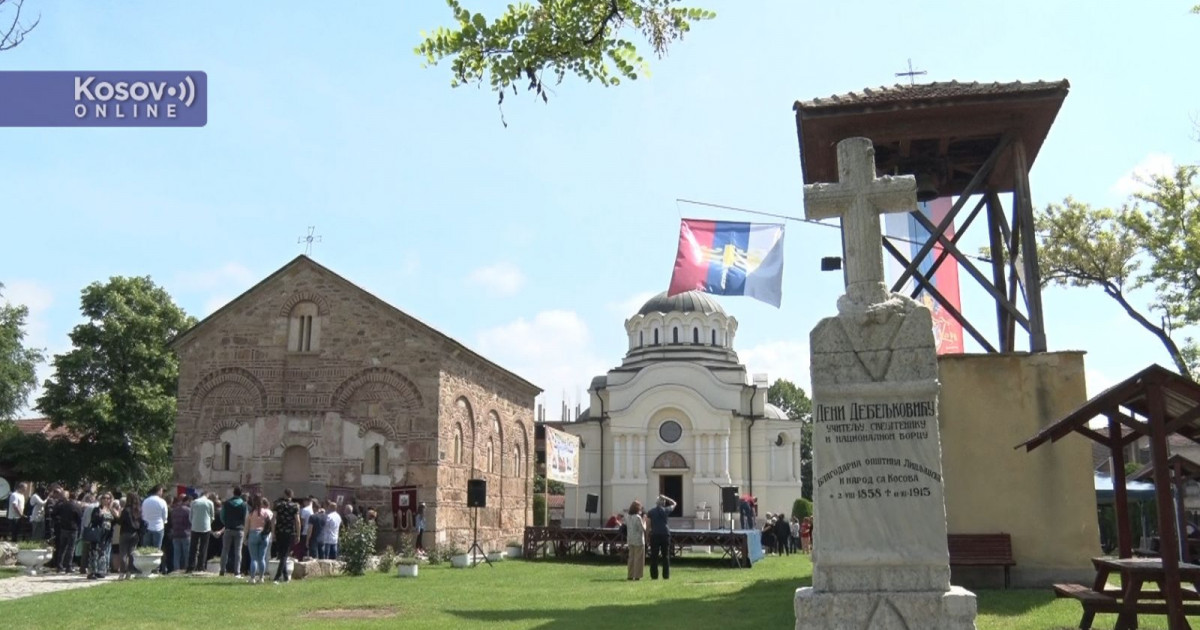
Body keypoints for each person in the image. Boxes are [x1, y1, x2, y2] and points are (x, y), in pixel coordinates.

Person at [272, 489, 300, 583]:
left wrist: (273, 532)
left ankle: (285, 577)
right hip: (289, 532)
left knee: (281, 554)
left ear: (284, 494)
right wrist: (298, 534)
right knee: (284, 554)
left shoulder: (277, 505)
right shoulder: (295, 506)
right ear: (291, 495)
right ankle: (277, 577)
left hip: (279, 531)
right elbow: (297, 521)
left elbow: (273, 519)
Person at [87, 492, 117, 579]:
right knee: (94, 553)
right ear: (101, 499)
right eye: (104, 498)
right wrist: (101, 514)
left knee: (103, 553)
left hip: (106, 535)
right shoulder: (97, 509)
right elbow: (94, 520)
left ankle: (100, 571)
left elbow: (115, 521)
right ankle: (92, 572)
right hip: (97, 533)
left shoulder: (110, 510)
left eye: (108, 498)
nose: (106, 500)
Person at [646, 494, 676, 580]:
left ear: (656, 503)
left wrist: (647, 535)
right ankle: (666, 576)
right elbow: (674, 503)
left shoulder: (651, 512)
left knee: (654, 556)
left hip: (655, 534)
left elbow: (648, 525)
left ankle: (654, 576)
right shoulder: (666, 510)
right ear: (663, 503)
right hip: (665, 534)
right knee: (665, 555)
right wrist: (666, 497)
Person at [220, 486, 248, 578]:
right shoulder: (244, 505)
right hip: (239, 530)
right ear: (241, 493)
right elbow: (246, 518)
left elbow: (222, 516)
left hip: (228, 529)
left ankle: (222, 570)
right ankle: (237, 571)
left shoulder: (226, 503)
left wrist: (226, 523)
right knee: (238, 551)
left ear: (233, 492)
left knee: (225, 550)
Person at [140, 486, 169, 573]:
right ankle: (156, 568)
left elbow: (143, 514)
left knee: (147, 548)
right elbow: (165, 516)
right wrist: (163, 521)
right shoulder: (162, 501)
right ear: (159, 491)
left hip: (147, 526)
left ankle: (146, 567)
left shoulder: (145, 501)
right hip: (158, 527)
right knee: (157, 549)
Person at [245, 496, 274, 584]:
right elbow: (270, 523)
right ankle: (261, 578)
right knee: (262, 558)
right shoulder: (266, 513)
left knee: (253, 558)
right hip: (263, 535)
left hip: (253, 534)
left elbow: (246, 527)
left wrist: (244, 538)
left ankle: (252, 578)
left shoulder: (250, 513)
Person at [52, 490, 82, 573]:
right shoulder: (77, 506)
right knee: (71, 548)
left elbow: (54, 514)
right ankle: (68, 566)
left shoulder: (62, 505)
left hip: (63, 528)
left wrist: (59, 521)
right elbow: (79, 518)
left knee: (62, 548)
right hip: (73, 529)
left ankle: (59, 566)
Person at [117, 492, 143, 580]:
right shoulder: (138, 510)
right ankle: (129, 572)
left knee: (123, 553)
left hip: (125, 532)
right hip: (135, 533)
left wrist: (116, 514)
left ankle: (122, 573)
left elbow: (120, 521)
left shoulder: (126, 510)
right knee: (132, 553)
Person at [188, 492, 215, 572]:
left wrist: (193, 523)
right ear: (207, 495)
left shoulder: (194, 502)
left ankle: (191, 566)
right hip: (205, 527)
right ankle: (201, 566)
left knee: (193, 547)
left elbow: (191, 516)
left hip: (195, 526)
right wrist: (208, 523)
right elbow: (212, 517)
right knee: (203, 548)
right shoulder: (210, 503)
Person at [625, 500, 646, 581]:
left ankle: (630, 575)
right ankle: (637, 575)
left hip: (630, 539)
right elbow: (642, 529)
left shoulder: (628, 516)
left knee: (631, 558)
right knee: (638, 559)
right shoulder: (638, 517)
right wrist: (644, 520)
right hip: (638, 540)